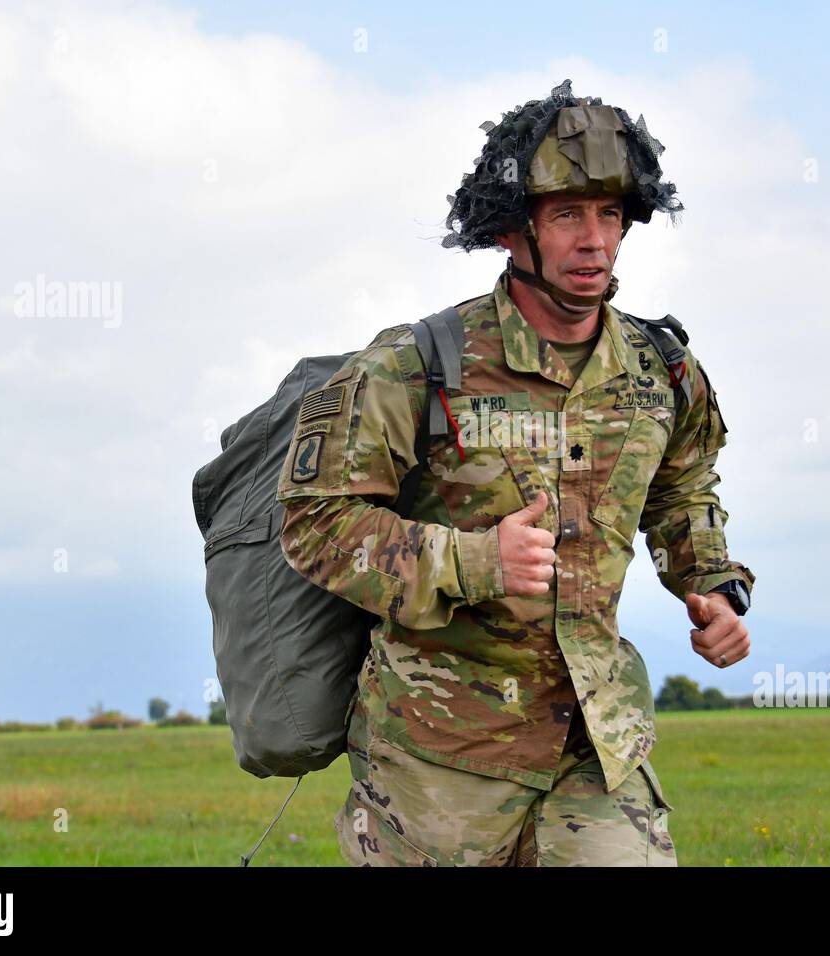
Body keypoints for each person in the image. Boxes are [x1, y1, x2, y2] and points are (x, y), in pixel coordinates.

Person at [275, 79, 755, 866]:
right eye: (568, 214)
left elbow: (683, 488)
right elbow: (315, 523)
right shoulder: (417, 364)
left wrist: (713, 585)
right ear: (510, 229)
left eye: (610, 214)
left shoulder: (660, 370)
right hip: (438, 762)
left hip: (593, 747)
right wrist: (473, 562)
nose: (594, 239)